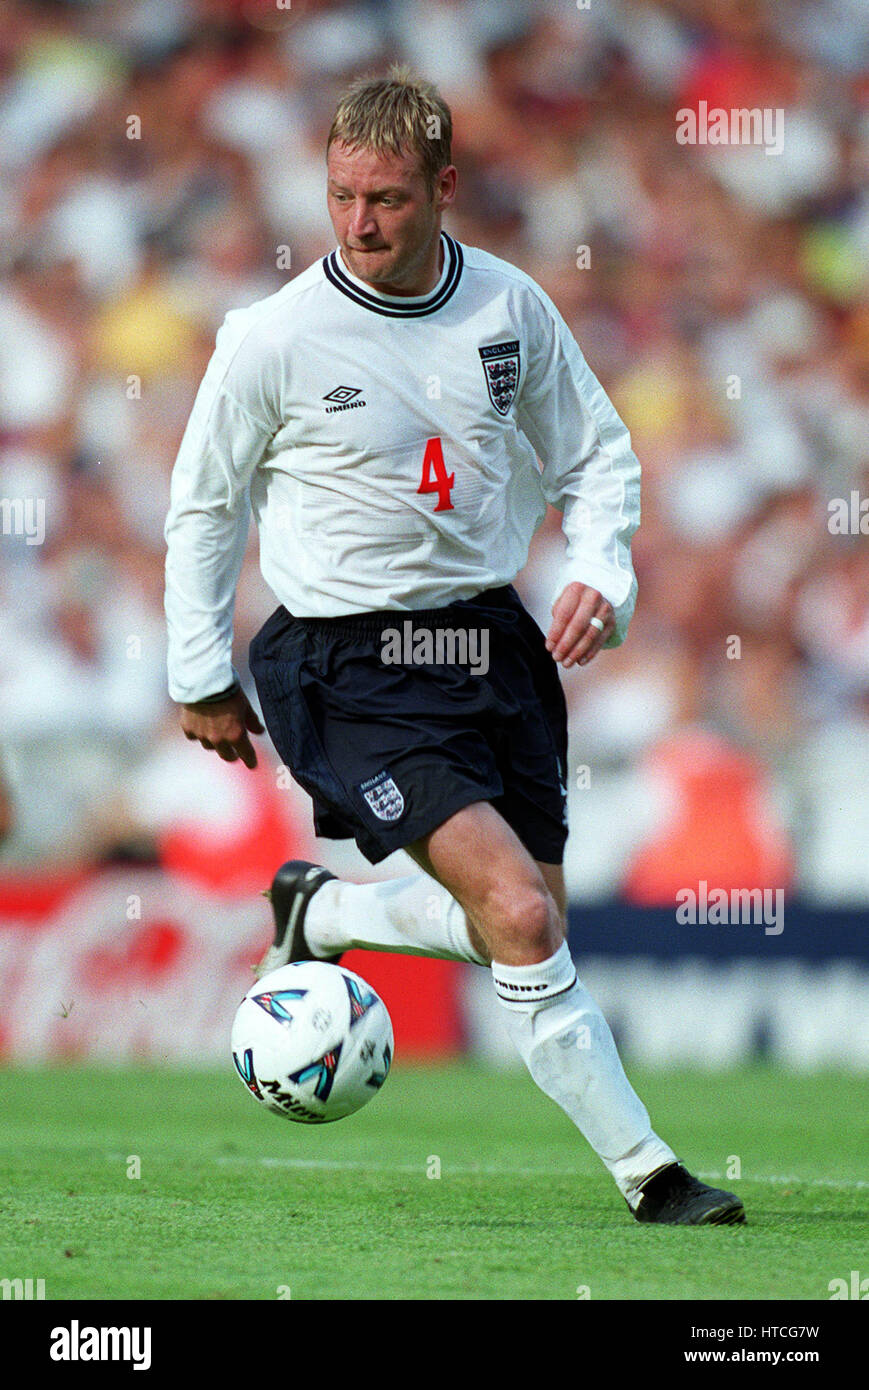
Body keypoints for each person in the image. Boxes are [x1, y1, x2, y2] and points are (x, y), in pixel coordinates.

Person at [165, 68, 744, 1226]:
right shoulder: (273, 337)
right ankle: (648, 1172)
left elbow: (596, 458)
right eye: (339, 197)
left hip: (489, 644)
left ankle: (324, 917)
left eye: (382, 197)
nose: (358, 224)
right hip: (343, 661)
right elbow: (204, 505)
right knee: (520, 917)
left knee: (527, 922)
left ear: (443, 187)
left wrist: (602, 569)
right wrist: (198, 672)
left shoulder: (509, 309)